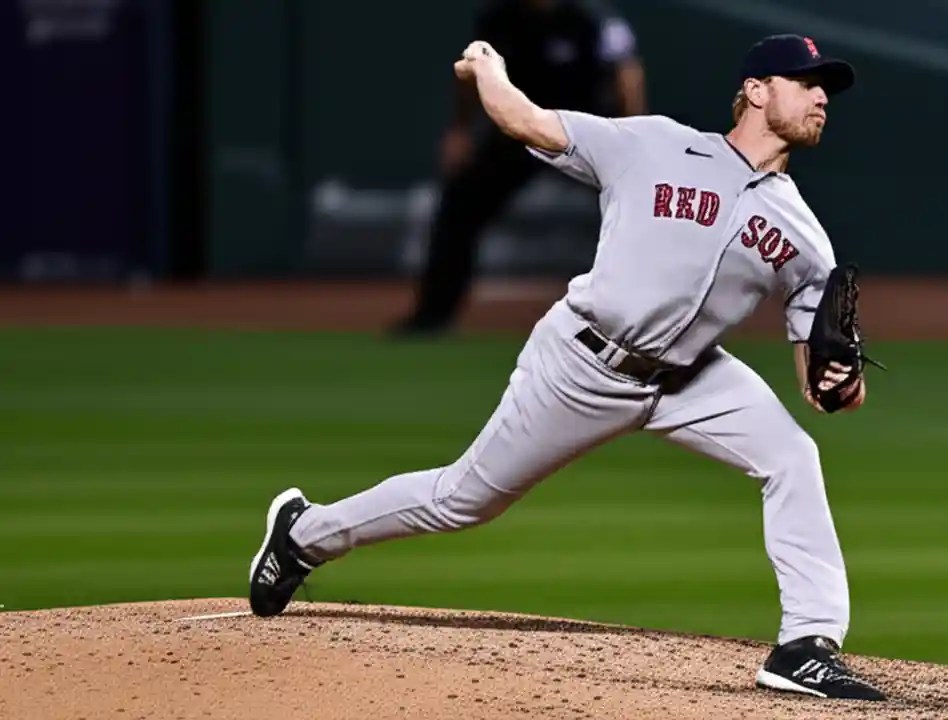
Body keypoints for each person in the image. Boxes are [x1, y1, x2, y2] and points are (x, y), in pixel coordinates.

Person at [250, 32, 887, 702]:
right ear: (757, 91)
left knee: (792, 455)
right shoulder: (656, 144)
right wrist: (491, 71)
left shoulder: (807, 237)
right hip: (581, 363)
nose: (821, 97)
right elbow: (528, 120)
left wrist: (840, 385)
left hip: (690, 378)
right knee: (462, 499)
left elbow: (823, 382)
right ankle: (304, 534)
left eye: (826, 88)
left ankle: (805, 647)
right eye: (805, 81)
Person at [391, 0, 647, 336]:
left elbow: (626, 74)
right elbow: (471, 75)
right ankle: (432, 315)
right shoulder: (499, 18)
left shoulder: (590, 16)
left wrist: (631, 134)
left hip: (585, 135)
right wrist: (462, 129)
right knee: (461, 200)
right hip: (519, 135)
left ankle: (652, 317)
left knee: (636, 213)